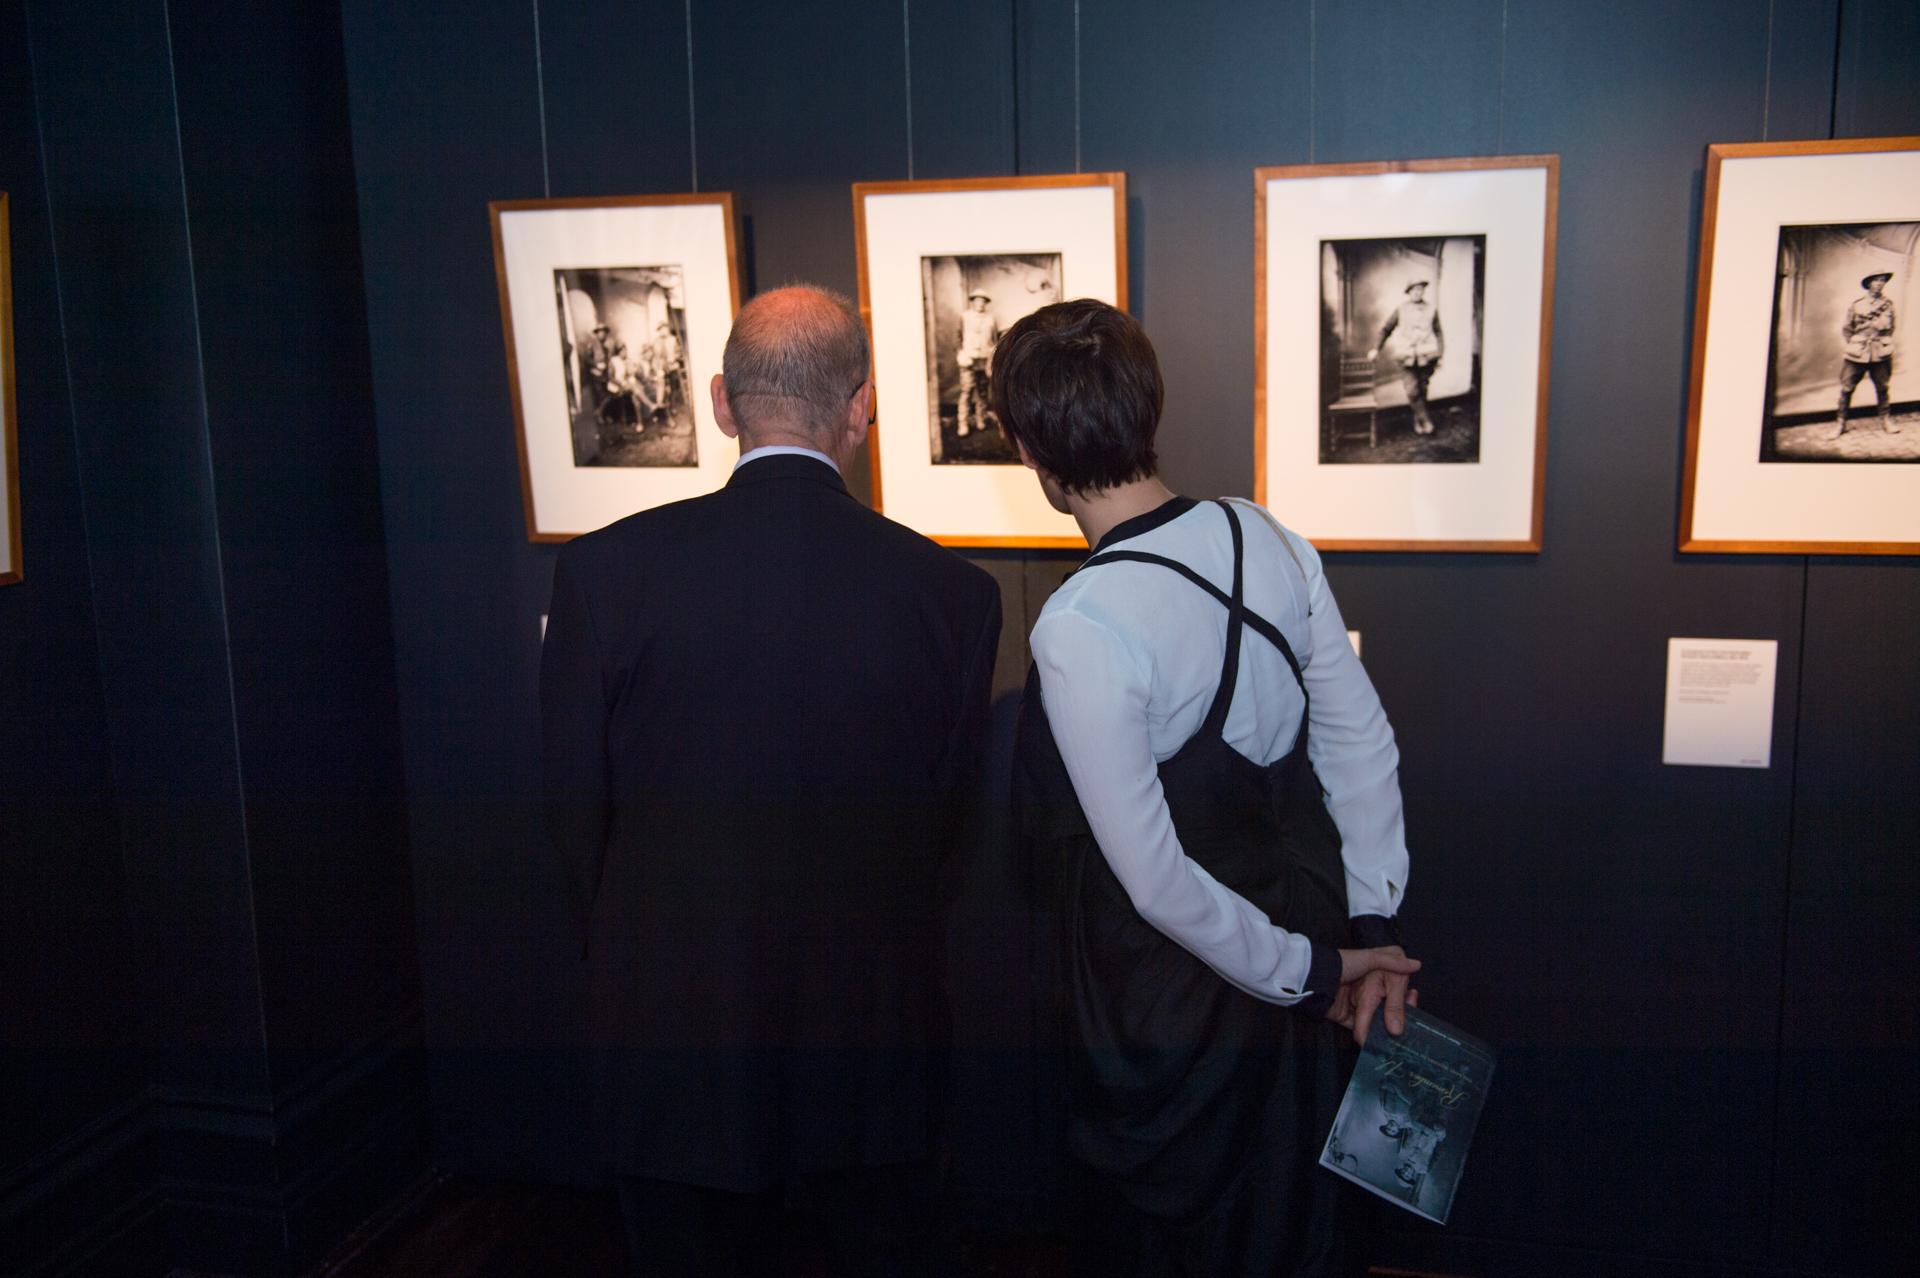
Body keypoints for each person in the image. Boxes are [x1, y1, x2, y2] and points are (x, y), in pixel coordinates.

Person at [541, 285, 1002, 1275]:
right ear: (861, 406)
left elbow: (577, 828)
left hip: (675, 1036)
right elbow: (949, 836)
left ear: (721, 402)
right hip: (870, 1047)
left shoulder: (604, 575)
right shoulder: (954, 596)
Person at [1000, 299, 1419, 1277]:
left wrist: (1320, 971)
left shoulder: (1082, 624)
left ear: (1028, 449)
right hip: (1303, 919)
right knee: (1296, 1227)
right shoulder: (1264, 534)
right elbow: (1359, 740)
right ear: (1150, 404)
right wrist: (1369, 927)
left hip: (1176, 996)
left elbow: (1155, 881)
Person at [1368, 278, 1444, 436]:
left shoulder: (1431, 309)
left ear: (1423, 291)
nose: (1417, 292)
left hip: (1427, 357)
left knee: (1422, 389)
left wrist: (1440, 353)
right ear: (1409, 292)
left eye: (1420, 289)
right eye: (1414, 289)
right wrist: (1376, 348)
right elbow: (1386, 329)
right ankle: (1426, 421)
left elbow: (1438, 332)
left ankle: (1418, 420)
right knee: (1412, 391)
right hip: (1405, 357)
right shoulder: (1401, 309)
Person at [1836, 270, 1898, 438]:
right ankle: (1840, 423)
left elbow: (1891, 328)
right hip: (1857, 352)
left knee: (1883, 388)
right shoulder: (1857, 305)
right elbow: (1847, 329)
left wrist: (1881, 342)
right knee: (1847, 388)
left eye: (1882, 280)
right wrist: (1856, 344)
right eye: (1876, 280)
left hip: (1880, 353)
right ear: (1869, 283)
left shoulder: (1889, 305)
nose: (1879, 283)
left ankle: (1886, 420)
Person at [955, 289, 1000, 438]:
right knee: (967, 391)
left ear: (986, 303)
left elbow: (995, 340)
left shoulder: (991, 318)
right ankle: (963, 423)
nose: (980, 303)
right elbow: (958, 338)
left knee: (982, 392)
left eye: (983, 301)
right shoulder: (964, 316)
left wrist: (991, 358)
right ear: (973, 301)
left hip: (984, 359)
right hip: (969, 358)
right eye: (977, 300)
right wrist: (961, 354)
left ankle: (980, 418)